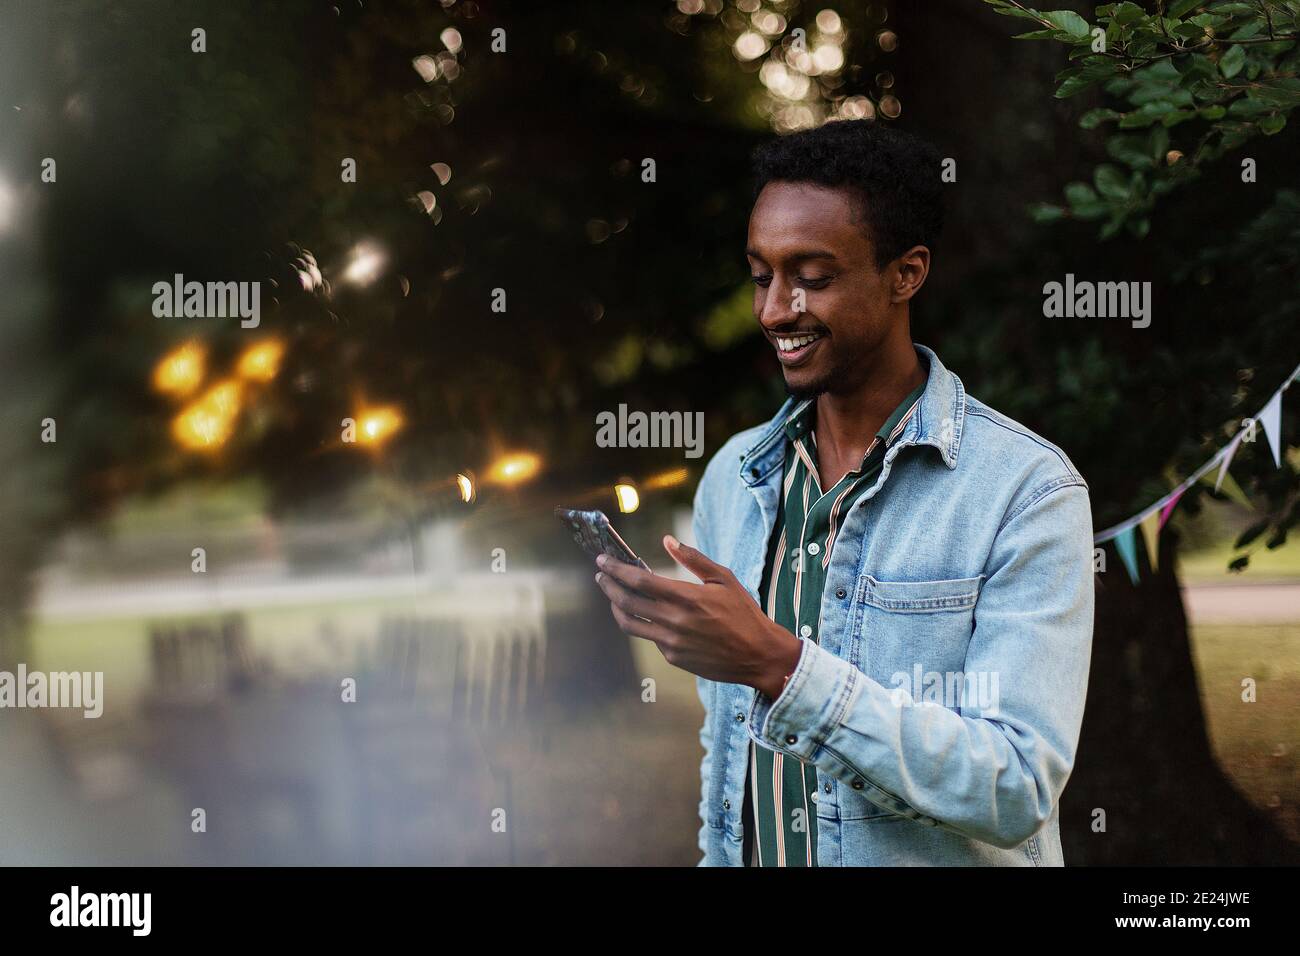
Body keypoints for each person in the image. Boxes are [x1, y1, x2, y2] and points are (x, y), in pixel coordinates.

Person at [594, 119, 1094, 866]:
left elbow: (1016, 788)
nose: (773, 311)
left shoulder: (1025, 490)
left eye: (813, 278)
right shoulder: (735, 477)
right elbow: (726, 752)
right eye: (762, 275)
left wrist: (782, 668)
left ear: (906, 273)